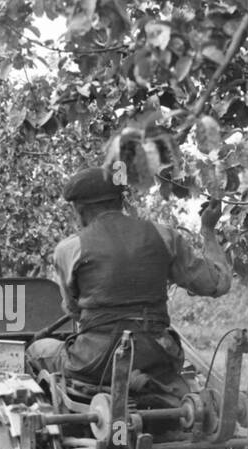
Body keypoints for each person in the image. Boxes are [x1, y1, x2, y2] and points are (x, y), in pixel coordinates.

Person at [27, 165, 231, 392]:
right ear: (121, 201)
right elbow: (218, 284)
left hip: (96, 361)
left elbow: (73, 310)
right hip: (159, 355)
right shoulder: (164, 236)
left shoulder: (69, 249)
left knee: (36, 351)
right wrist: (208, 231)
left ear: (79, 210)